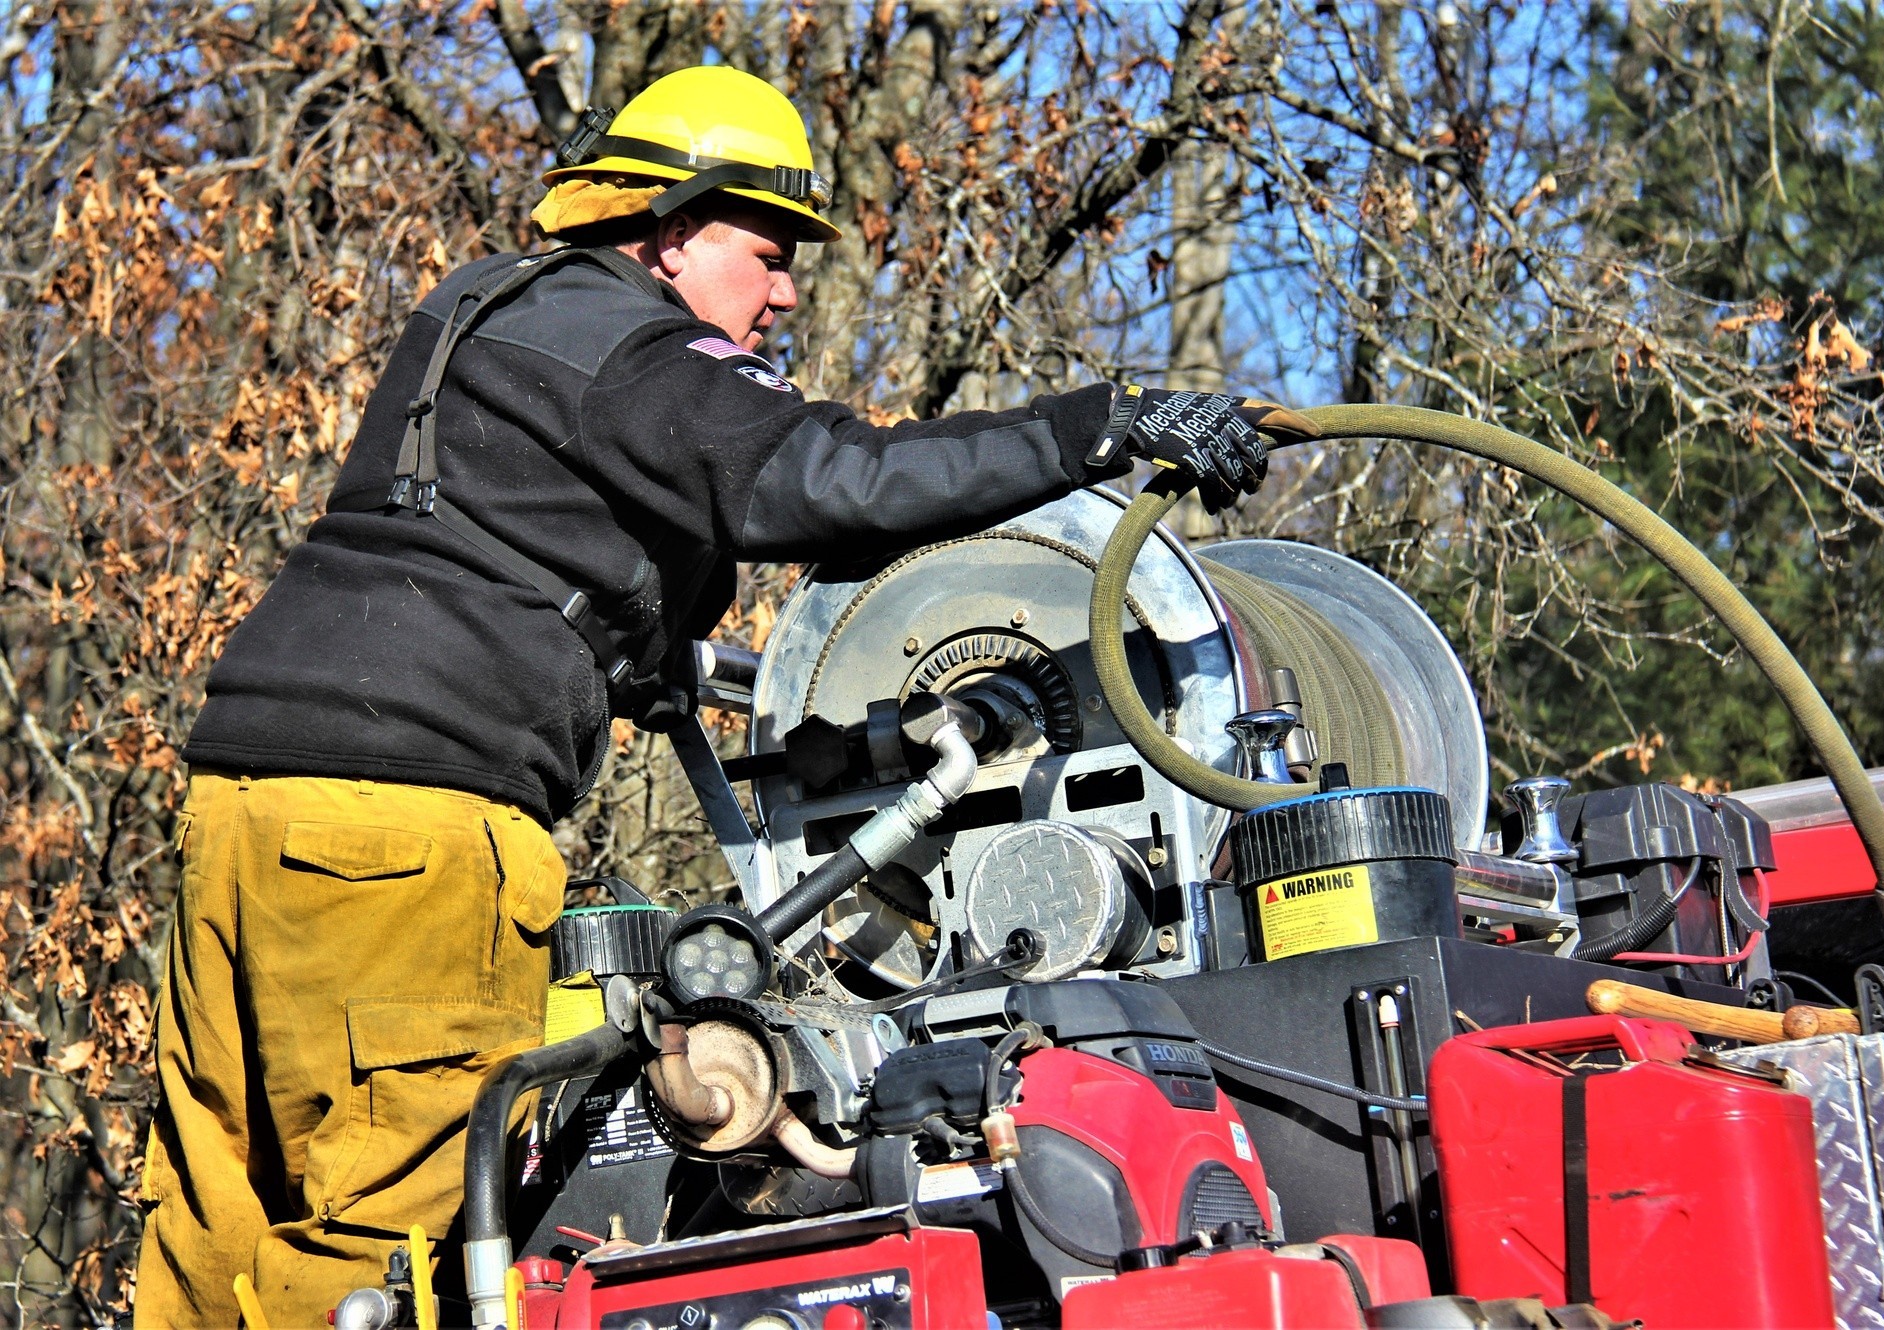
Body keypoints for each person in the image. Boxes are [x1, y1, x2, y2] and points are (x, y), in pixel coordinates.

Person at [134, 64, 1318, 1326]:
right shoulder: (622, 339)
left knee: (216, 1205)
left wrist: (652, 656)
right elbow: (826, 478)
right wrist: (1098, 425)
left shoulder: (480, 311)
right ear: (669, 229)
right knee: (386, 1224)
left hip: (244, 802)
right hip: (412, 829)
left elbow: (515, 547)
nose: (786, 289)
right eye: (764, 251)